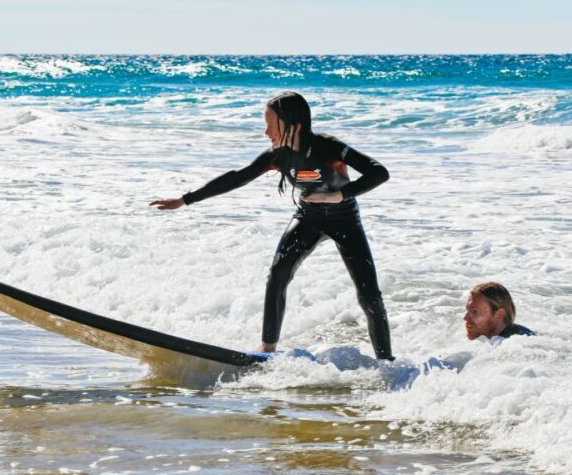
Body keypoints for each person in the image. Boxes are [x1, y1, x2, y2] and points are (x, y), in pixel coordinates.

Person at [150, 91, 394, 360]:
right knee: (278, 274)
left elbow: (378, 172)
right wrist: (185, 200)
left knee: (369, 295)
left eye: (271, 124)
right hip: (308, 218)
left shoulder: (328, 147)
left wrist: (339, 195)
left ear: (293, 124)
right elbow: (236, 178)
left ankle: (386, 362)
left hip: (344, 220)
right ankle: (267, 350)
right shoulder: (278, 156)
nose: (266, 132)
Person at [464, 281, 535, 340]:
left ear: (499, 314)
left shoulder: (520, 343)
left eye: (475, 311)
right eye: (468, 310)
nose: (465, 318)